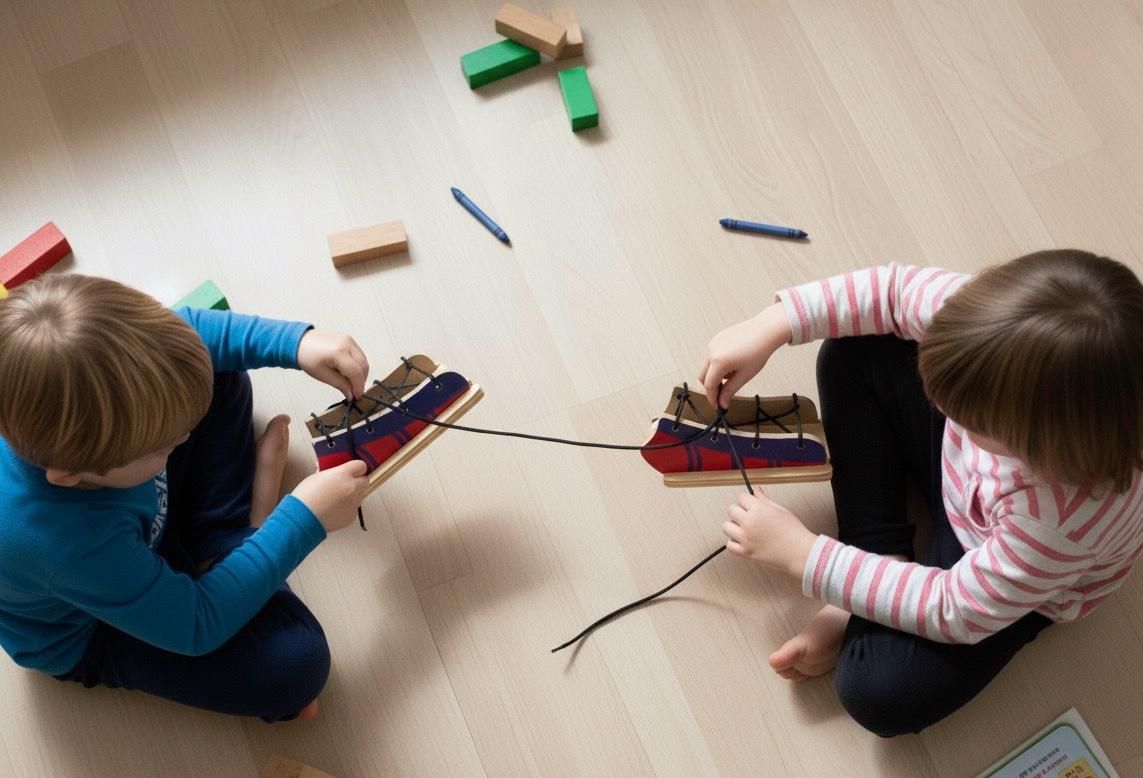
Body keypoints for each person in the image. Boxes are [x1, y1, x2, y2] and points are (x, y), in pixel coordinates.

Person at [701, 250, 1143, 736]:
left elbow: (953, 607)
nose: (936, 402)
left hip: (999, 573)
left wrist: (805, 556)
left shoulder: (1058, 523)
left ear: (1042, 446)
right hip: (971, 479)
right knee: (857, 345)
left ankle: (865, 588)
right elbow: (893, 293)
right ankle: (876, 560)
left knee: (880, 692)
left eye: (971, 418)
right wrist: (773, 325)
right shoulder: (993, 325)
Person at [0, 274, 372, 722]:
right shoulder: (63, 544)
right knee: (293, 667)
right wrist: (302, 520)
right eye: (164, 447)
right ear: (70, 474)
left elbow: (194, 328)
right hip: (96, 624)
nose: (183, 438)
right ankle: (245, 529)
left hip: (131, 525)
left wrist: (299, 343)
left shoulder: (93, 402)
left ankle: (225, 545)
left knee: (217, 371)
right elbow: (196, 626)